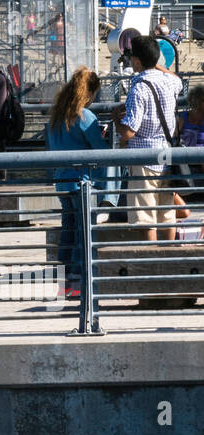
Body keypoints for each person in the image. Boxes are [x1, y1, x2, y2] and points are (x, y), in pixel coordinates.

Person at [45, 69, 108, 298]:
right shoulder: (86, 117)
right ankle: (79, 283)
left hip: (62, 182)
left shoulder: (57, 116)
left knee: (67, 233)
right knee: (83, 235)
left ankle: (65, 284)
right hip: (83, 183)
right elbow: (101, 152)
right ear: (89, 92)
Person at [113, 34, 181, 242]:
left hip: (144, 159)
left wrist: (117, 120)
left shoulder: (139, 89)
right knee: (167, 213)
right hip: (166, 156)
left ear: (136, 61)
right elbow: (174, 76)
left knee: (145, 217)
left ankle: (149, 261)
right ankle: (169, 258)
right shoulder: (171, 83)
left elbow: (129, 131)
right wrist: (154, 63)